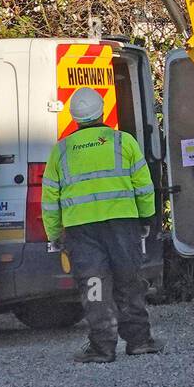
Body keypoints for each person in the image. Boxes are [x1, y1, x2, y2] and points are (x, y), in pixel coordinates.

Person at [41, 87, 162, 363]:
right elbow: (144, 186)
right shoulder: (123, 142)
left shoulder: (61, 151)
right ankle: (140, 341)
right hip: (122, 224)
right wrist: (146, 219)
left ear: (74, 117)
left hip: (81, 230)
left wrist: (55, 234)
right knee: (129, 281)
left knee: (94, 285)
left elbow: (49, 198)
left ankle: (102, 347)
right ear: (102, 111)